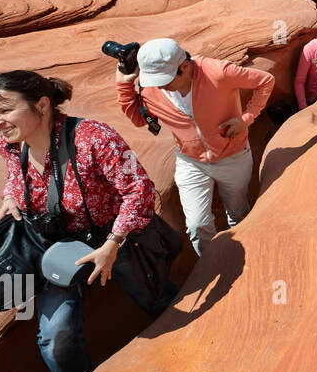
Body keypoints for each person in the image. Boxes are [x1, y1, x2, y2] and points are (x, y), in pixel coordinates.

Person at [0, 70, 171, 372]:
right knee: (56, 339)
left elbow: (139, 190)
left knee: (159, 301)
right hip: (57, 248)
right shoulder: (10, 145)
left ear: (41, 105)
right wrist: (11, 195)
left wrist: (113, 243)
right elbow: (15, 176)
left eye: (6, 110)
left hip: (114, 240)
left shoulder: (92, 138)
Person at [116, 38, 273, 256]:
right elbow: (139, 119)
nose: (160, 85)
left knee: (238, 213)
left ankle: (247, 255)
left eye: (165, 79)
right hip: (190, 162)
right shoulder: (152, 87)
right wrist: (124, 84)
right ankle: (213, 263)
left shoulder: (217, 71)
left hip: (233, 155)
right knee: (197, 225)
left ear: (185, 67)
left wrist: (246, 119)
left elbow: (266, 80)